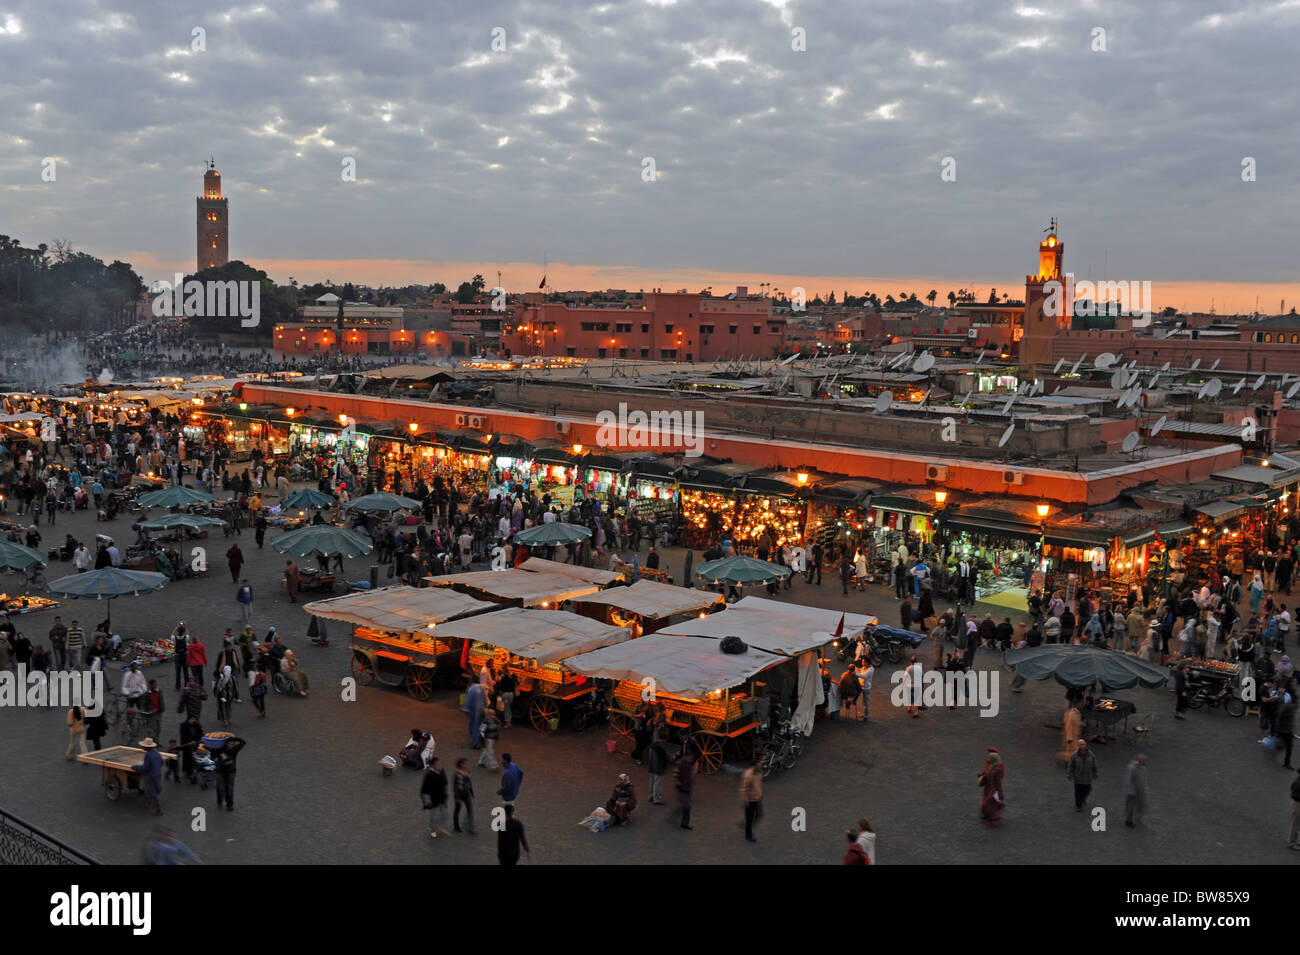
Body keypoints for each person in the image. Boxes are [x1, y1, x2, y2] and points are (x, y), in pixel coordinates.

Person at [131, 738, 165, 815]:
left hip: (151, 776)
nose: (142, 747)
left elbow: (145, 768)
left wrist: (135, 767)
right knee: (152, 790)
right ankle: (149, 803)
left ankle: (158, 810)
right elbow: (161, 762)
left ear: (146, 747)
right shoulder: (156, 753)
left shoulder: (148, 755)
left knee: (151, 793)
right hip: (157, 774)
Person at [212, 735, 246, 811]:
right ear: (226, 743)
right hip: (220, 772)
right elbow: (213, 756)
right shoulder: (219, 749)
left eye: (233, 744)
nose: (231, 746)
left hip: (231, 772)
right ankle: (220, 799)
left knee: (230, 788)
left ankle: (229, 805)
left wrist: (235, 738)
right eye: (229, 744)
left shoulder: (235, 750)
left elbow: (243, 742)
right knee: (220, 788)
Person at [421, 757, 452, 839]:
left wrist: (447, 791)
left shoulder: (442, 771)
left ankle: (436, 824)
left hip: (442, 797)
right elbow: (425, 789)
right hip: (433, 799)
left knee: (446, 814)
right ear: (432, 765)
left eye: (439, 763)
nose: (439, 765)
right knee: (432, 815)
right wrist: (427, 800)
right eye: (437, 764)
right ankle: (432, 829)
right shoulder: (429, 775)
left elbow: (445, 783)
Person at [1067, 738, 1099, 812]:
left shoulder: (1091, 755)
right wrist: (1069, 774)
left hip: (1087, 778)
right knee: (1078, 792)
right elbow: (1071, 765)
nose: (1083, 746)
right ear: (1078, 746)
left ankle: (1083, 799)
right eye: (1081, 745)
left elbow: (1094, 765)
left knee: (1087, 790)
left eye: (1083, 744)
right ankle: (1078, 805)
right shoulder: (1074, 755)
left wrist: (1095, 773)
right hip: (1078, 778)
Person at [977, 746, 1005, 826]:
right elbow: (986, 771)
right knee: (987, 803)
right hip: (989, 787)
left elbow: (998, 782)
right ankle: (987, 815)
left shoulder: (997, 769)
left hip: (993, 789)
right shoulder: (992, 765)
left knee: (988, 803)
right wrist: (983, 776)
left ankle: (992, 818)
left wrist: (999, 793)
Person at [740, 760, 762, 842]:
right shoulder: (748, 775)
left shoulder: (758, 773)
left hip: (757, 798)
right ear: (754, 766)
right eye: (758, 765)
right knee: (749, 818)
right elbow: (744, 789)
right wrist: (745, 800)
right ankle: (748, 835)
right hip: (750, 800)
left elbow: (758, 784)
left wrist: (760, 794)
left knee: (759, 815)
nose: (760, 766)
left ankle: (747, 825)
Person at [647, 728, 670, 804]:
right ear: (664, 739)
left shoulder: (653, 744)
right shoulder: (660, 747)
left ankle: (651, 796)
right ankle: (656, 799)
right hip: (659, 768)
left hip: (653, 766)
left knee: (652, 781)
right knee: (658, 783)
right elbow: (665, 758)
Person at [1125, 753, 1148, 828]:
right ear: (1140, 761)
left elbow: (1143, 779)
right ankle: (1129, 820)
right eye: (1144, 761)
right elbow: (1129, 780)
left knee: (1140, 805)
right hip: (1133, 792)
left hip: (1140, 790)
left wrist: (1144, 788)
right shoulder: (1132, 768)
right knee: (1131, 806)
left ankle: (1136, 818)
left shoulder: (1143, 768)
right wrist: (1131, 792)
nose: (1145, 762)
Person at [453, 758, 475, 834]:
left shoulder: (467, 772)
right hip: (460, 795)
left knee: (470, 810)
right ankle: (456, 826)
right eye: (464, 764)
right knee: (457, 810)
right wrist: (457, 797)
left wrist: (471, 792)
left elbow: (469, 783)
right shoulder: (457, 774)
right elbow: (455, 787)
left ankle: (470, 827)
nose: (466, 765)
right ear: (460, 765)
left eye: (466, 764)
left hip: (466, 794)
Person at [676, 749, 696, 830]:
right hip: (683, 788)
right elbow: (676, 775)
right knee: (686, 806)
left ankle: (684, 823)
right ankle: (684, 823)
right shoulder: (680, 764)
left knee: (687, 806)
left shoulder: (688, 764)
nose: (690, 760)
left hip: (687, 787)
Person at [171, 622, 190, 691]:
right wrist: (185, 626)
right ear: (183, 632)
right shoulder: (185, 638)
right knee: (186, 671)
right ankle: (186, 685)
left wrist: (177, 626)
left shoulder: (174, 638)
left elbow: (172, 634)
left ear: (178, 632)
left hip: (177, 656)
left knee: (178, 672)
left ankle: (178, 686)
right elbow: (188, 633)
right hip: (184, 655)